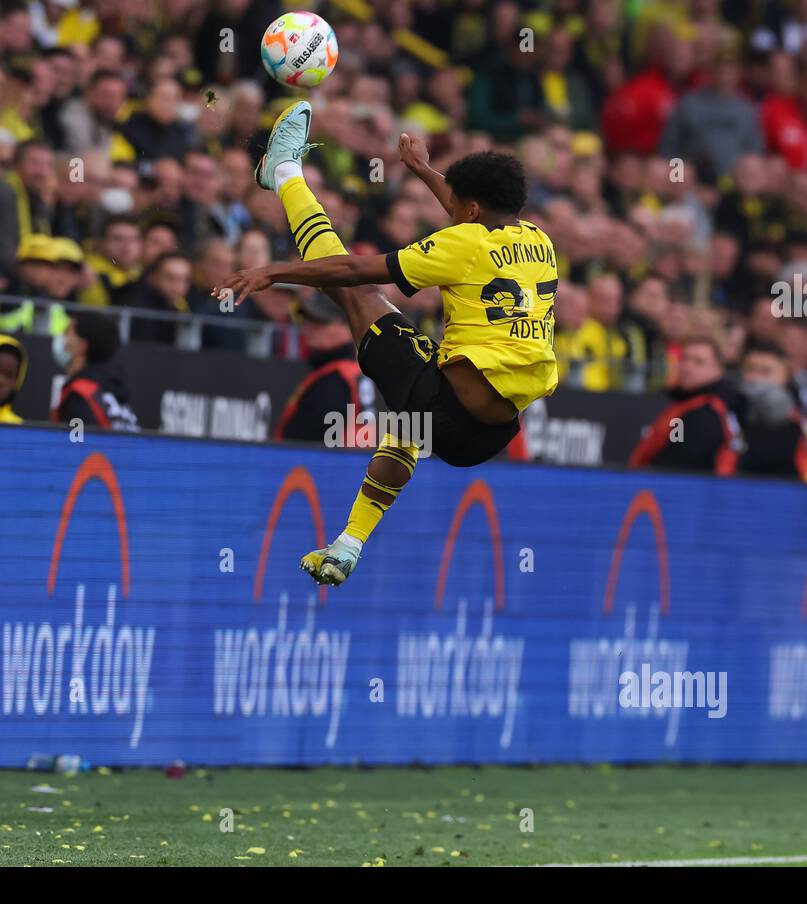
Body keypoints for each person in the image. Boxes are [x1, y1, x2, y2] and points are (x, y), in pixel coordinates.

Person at [224, 103, 557, 587]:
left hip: (449, 407)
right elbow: (472, 211)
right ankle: (347, 545)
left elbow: (354, 270)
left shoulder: (463, 244)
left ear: (470, 211)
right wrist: (424, 170)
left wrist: (272, 272)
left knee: (356, 293)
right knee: (407, 420)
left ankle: (284, 173)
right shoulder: (538, 241)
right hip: (493, 433)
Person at [629, 336, 743, 475]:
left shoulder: (705, 413)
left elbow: (677, 465)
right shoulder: (690, 404)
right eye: (684, 359)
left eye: (699, 362)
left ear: (718, 370)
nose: (687, 367)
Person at [276, 292, 372, 445]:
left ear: (347, 326)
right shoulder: (351, 373)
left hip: (320, 467)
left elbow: (304, 444)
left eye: (320, 323)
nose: (308, 329)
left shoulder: (335, 381)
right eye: (307, 321)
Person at [735, 338, 807, 479]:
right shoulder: (728, 412)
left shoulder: (798, 425)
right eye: (750, 369)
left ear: (786, 375)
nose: (756, 378)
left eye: (766, 371)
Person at [52, 312, 139, 432]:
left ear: (81, 346)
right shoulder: (115, 395)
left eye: (68, 332)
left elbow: (76, 447)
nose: (62, 336)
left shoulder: (79, 398)